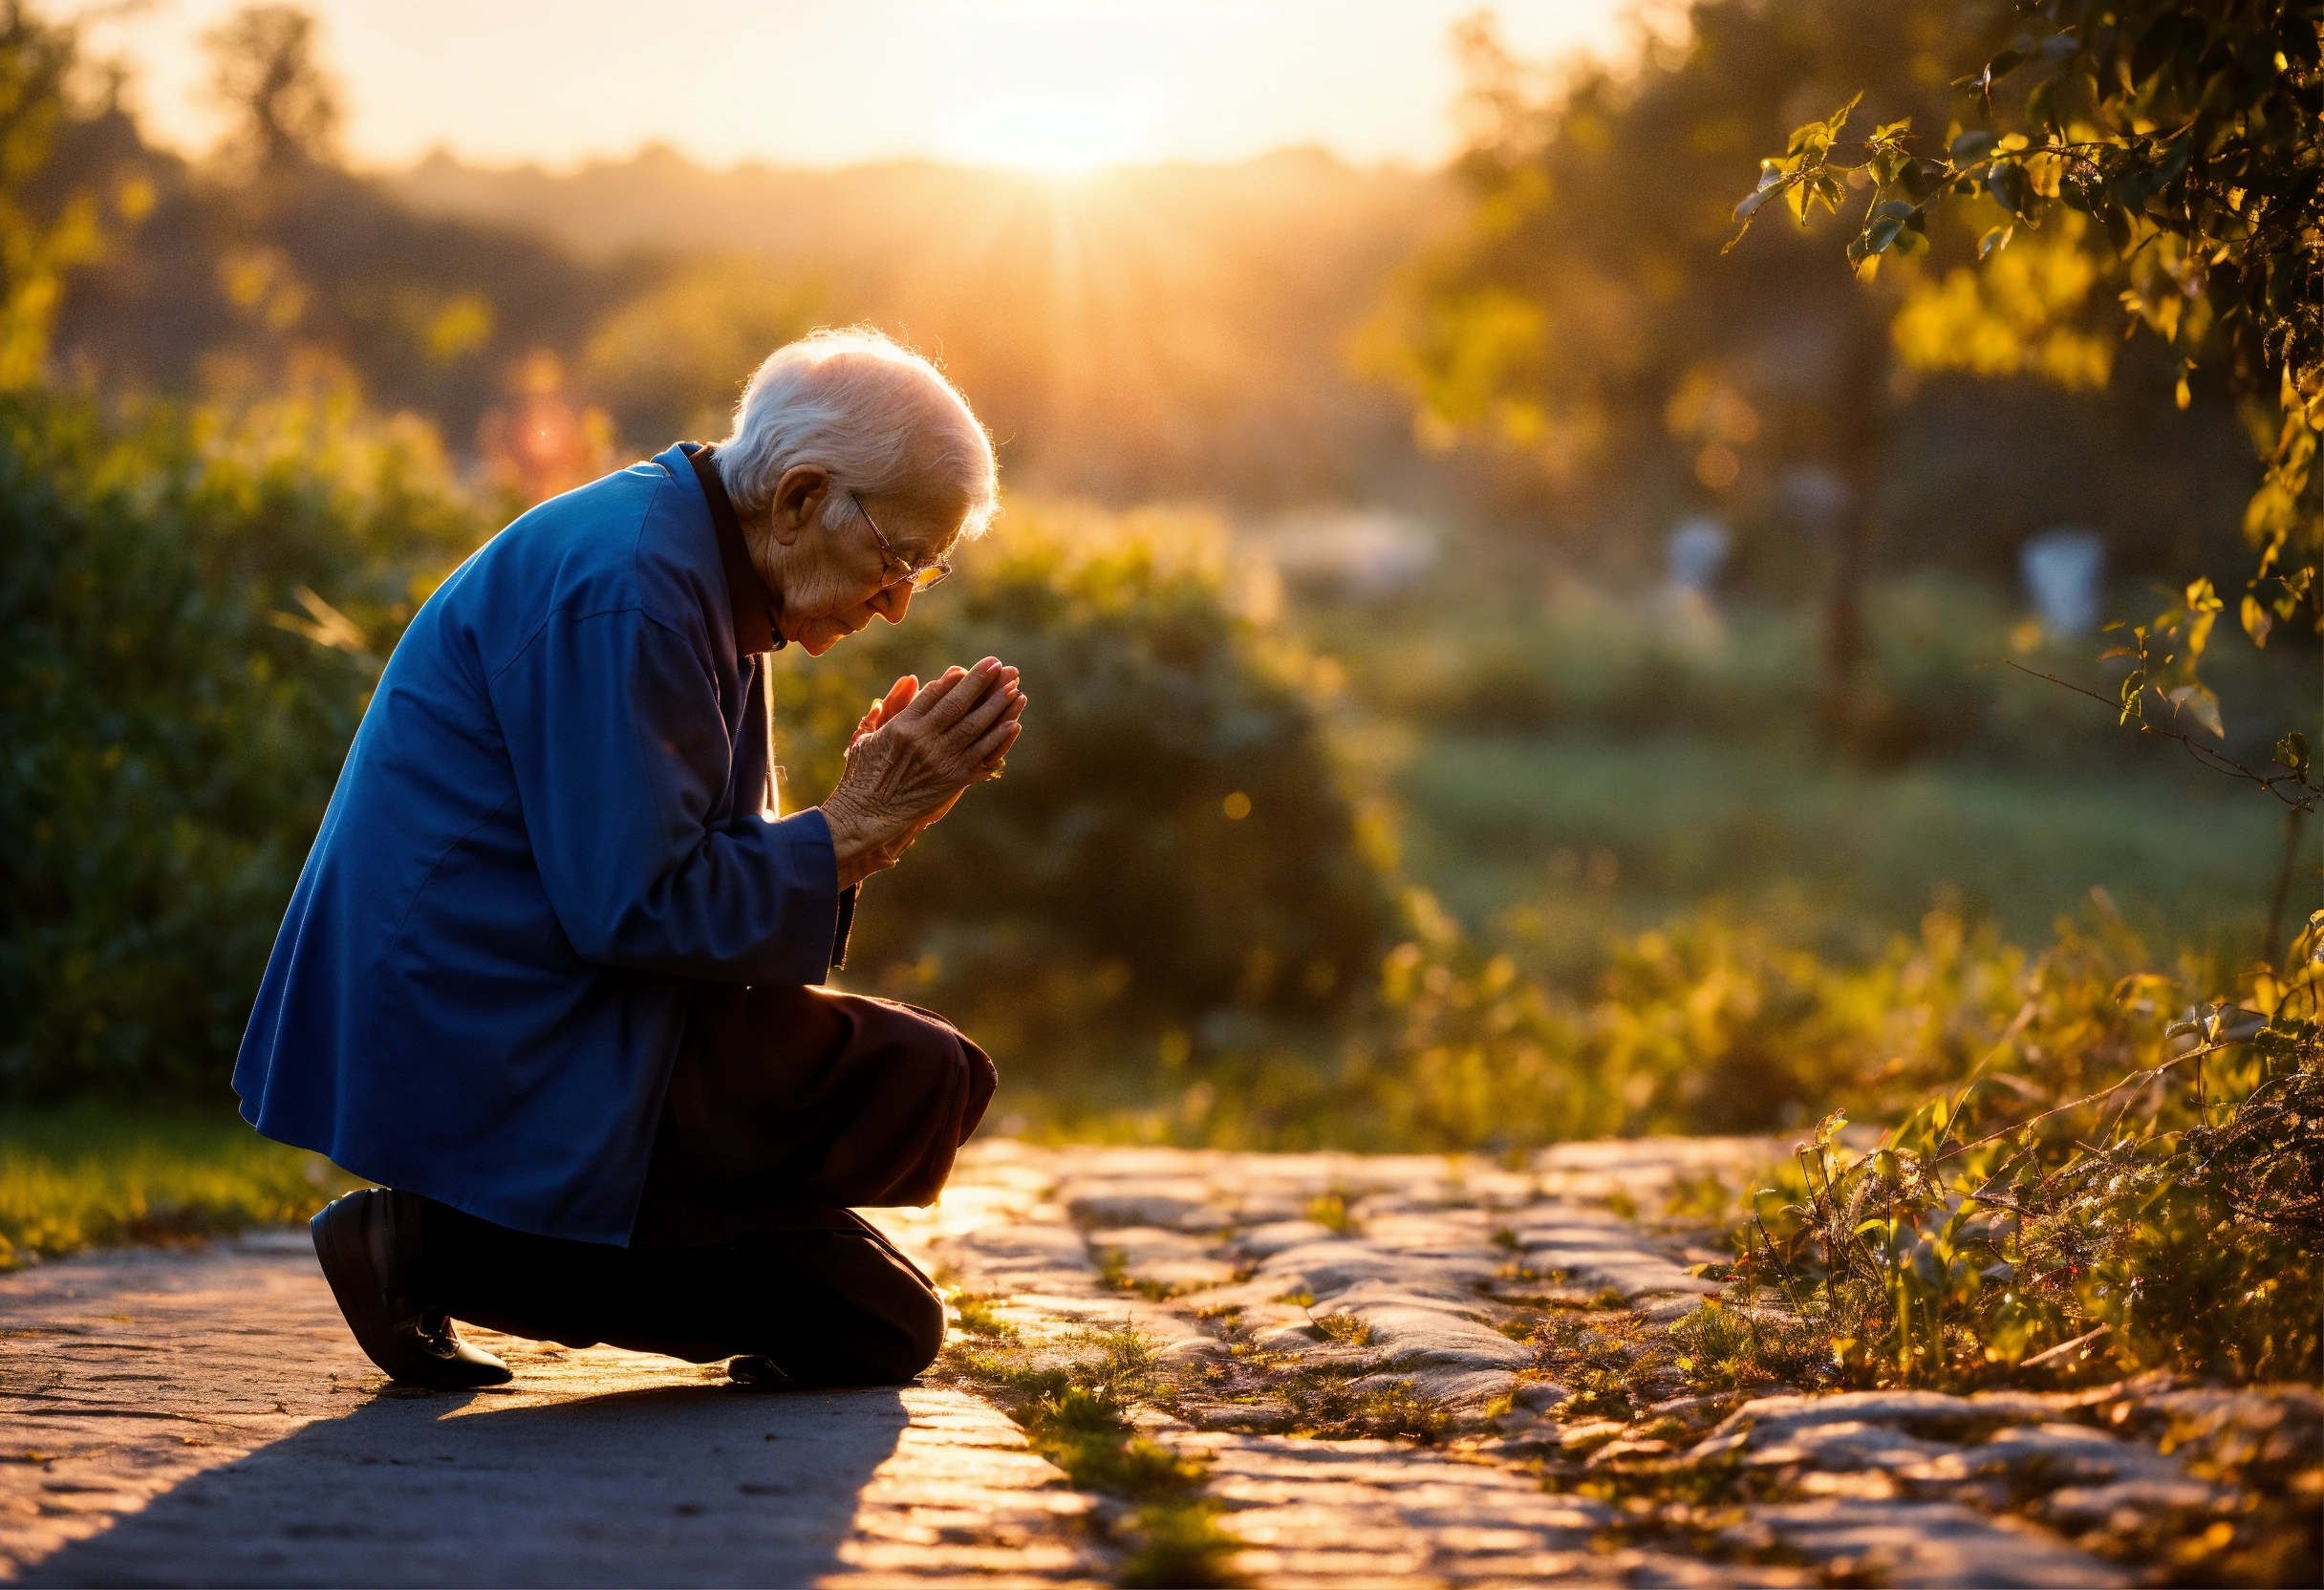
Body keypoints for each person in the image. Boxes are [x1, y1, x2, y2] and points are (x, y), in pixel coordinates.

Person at [233, 329, 1022, 1389]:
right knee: (883, 1261)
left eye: (923, 570)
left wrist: (861, 834)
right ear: (798, 497)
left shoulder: (701, 562)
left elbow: (705, 889)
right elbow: (640, 905)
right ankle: (428, 1243)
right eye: (895, 559)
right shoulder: (637, 588)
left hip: (572, 994)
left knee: (903, 1164)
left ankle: (573, 1224)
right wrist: (849, 828)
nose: (897, 603)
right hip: (491, 1015)